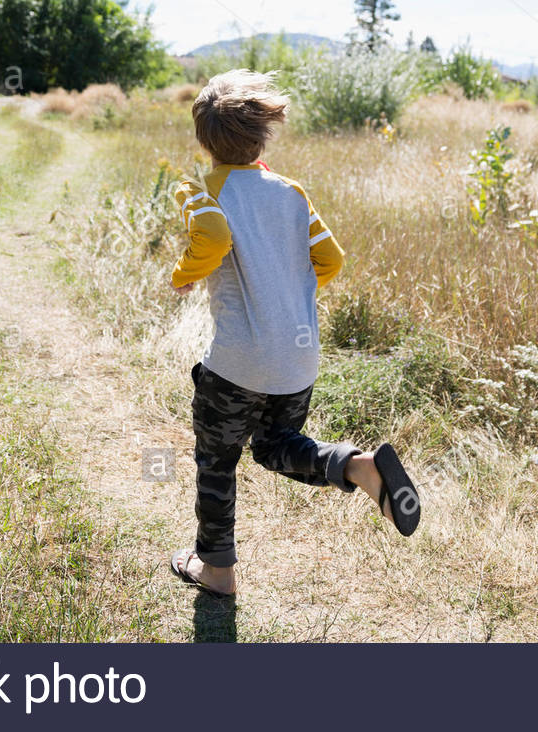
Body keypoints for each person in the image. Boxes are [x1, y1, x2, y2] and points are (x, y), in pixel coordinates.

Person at [168, 69, 420, 598]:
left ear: (202, 140)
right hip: (297, 360)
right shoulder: (291, 192)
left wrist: (184, 274)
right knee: (276, 444)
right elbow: (330, 258)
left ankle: (216, 571)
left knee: (218, 461)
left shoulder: (201, 188)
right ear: (264, 135)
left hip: (237, 362)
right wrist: (286, 290)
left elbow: (211, 237)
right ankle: (357, 466)